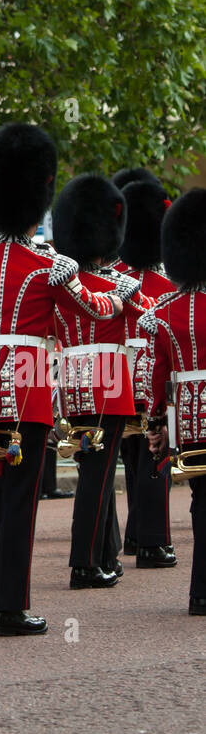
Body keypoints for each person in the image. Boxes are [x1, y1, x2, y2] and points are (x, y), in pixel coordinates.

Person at [0, 124, 128, 636]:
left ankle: (3, 601)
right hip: (30, 393)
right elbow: (93, 308)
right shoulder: (50, 266)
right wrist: (122, 294)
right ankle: (9, 607)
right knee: (21, 502)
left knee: (1, 498)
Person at [51, 175, 150, 589]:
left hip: (72, 382)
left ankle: (104, 553)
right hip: (109, 383)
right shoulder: (119, 286)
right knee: (100, 476)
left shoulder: (61, 287)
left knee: (92, 469)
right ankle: (86, 563)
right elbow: (150, 322)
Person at [143, 189, 206, 616]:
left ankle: (199, 592)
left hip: (186, 417)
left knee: (200, 501)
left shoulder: (164, 311)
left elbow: (155, 374)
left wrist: (155, 426)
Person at [113, 175, 177, 567]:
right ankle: (151, 541)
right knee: (155, 458)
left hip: (118, 377)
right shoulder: (167, 283)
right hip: (151, 378)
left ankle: (135, 535)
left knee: (132, 457)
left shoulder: (113, 279)